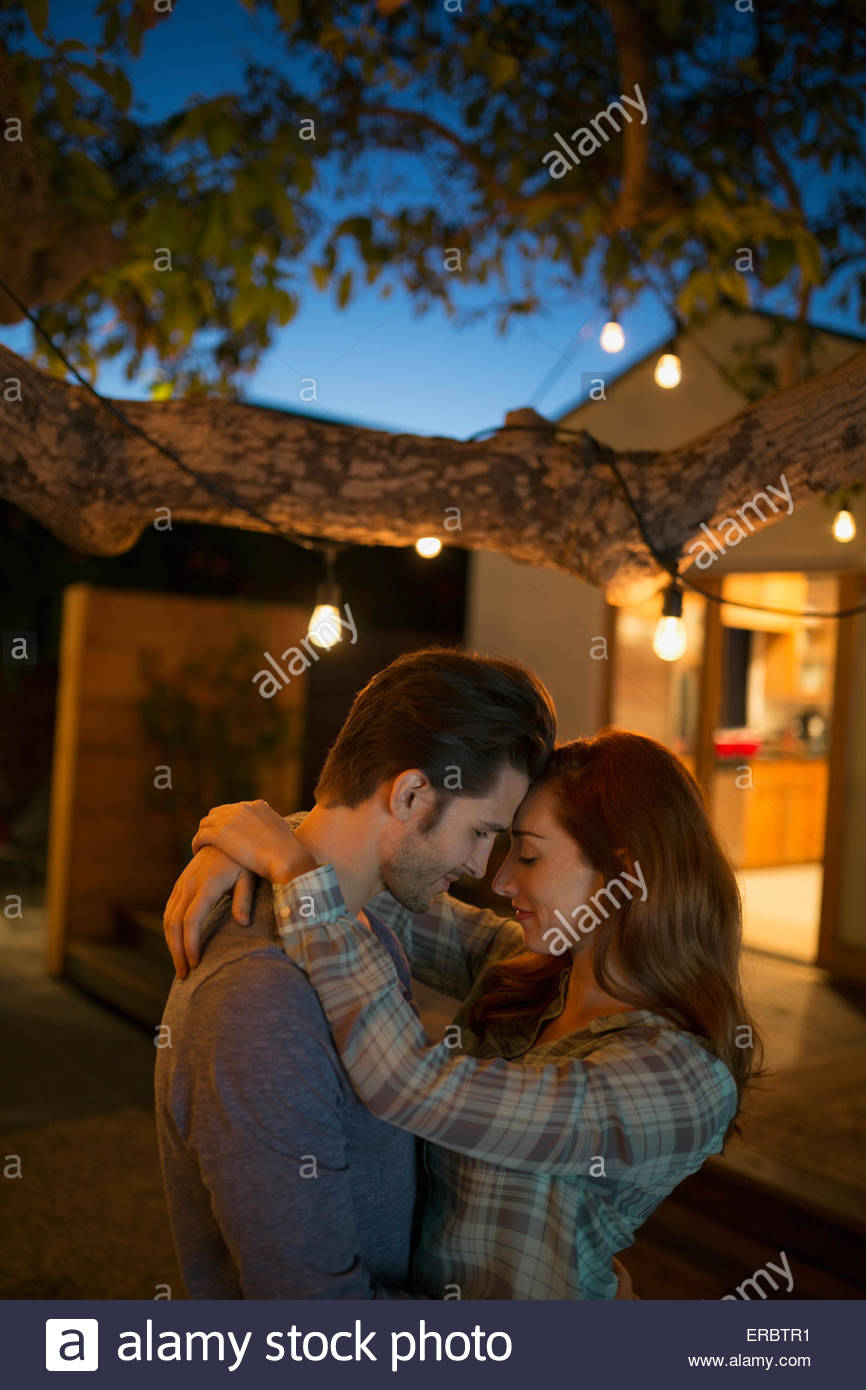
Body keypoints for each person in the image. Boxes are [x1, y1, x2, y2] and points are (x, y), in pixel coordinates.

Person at [168, 724, 764, 1300]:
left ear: (626, 870)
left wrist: (289, 867)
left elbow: (410, 1084)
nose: (499, 879)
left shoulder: (681, 1080)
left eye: (527, 855)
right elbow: (378, 878)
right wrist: (254, 845)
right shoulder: (533, 970)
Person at [154, 646, 557, 1298]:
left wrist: (269, 838)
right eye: (483, 832)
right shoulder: (261, 996)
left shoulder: (364, 917)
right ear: (411, 792)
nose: (483, 868)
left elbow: (502, 950)